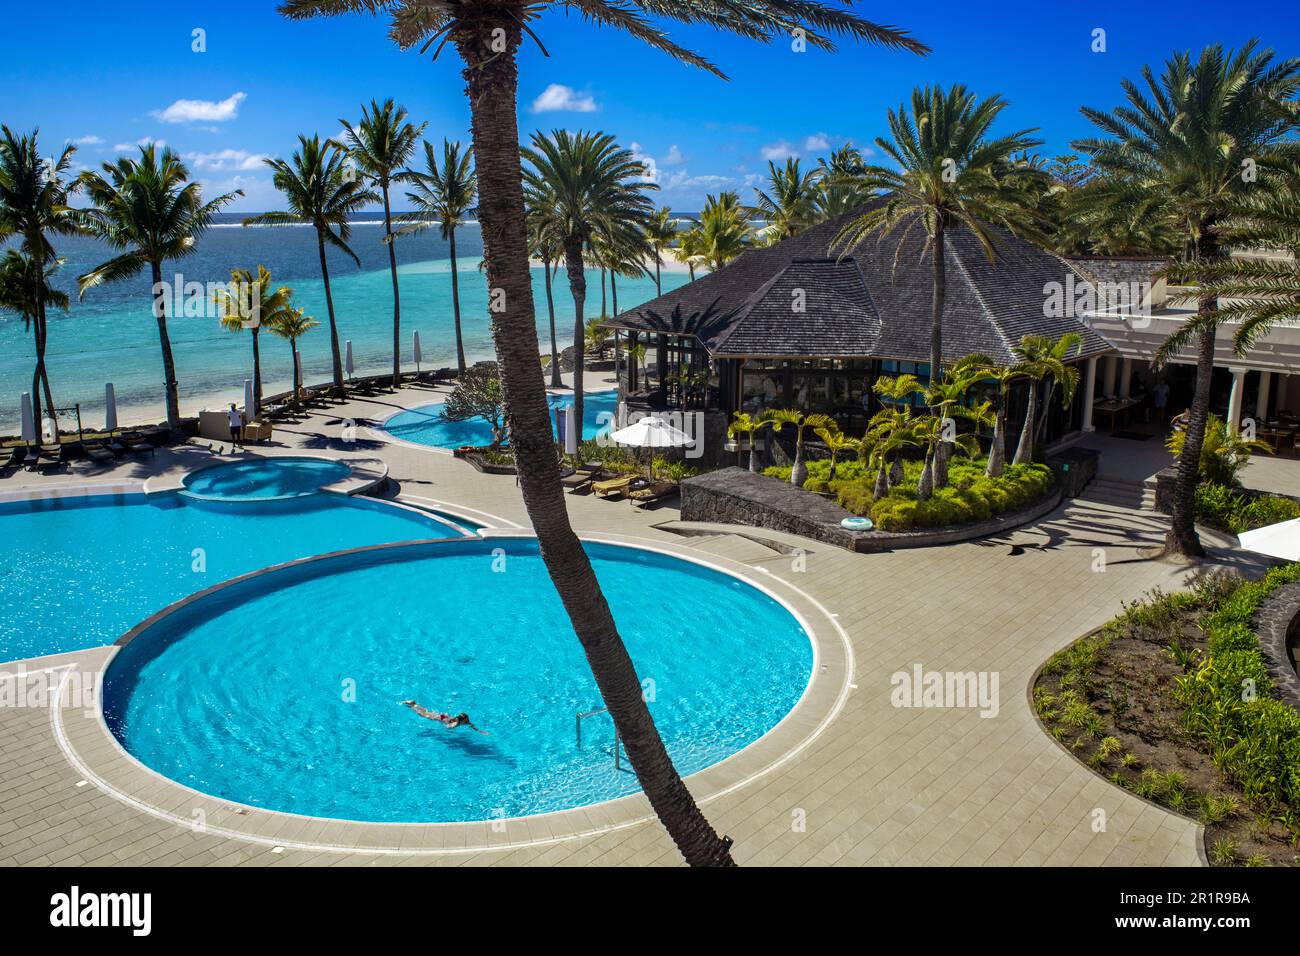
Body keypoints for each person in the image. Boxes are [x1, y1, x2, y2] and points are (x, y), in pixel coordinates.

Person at [400, 700, 489, 734]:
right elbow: (448, 727)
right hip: (441, 718)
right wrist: (452, 728)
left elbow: (472, 725)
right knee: (424, 714)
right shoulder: (458, 723)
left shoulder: (465, 721)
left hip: (445, 716)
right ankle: (412, 705)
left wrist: (480, 731)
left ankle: (414, 704)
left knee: (428, 712)